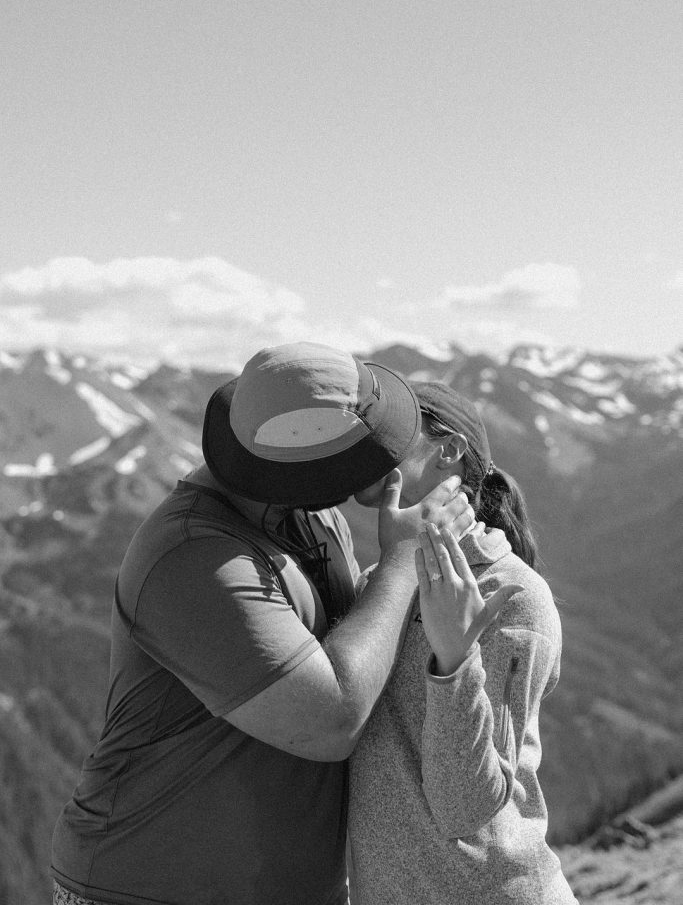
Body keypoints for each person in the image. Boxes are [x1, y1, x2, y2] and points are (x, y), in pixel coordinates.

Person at [50, 344, 477, 905]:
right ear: (307, 473)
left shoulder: (309, 516)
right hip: (145, 887)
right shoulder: (194, 558)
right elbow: (332, 720)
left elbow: (356, 648)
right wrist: (401, 563)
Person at [348, 381, 579, 905]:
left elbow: (464, 806)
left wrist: (454, 660)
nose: (365, 444)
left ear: (449, 449)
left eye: (390, 429)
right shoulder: (379, 583)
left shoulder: (511, 595)